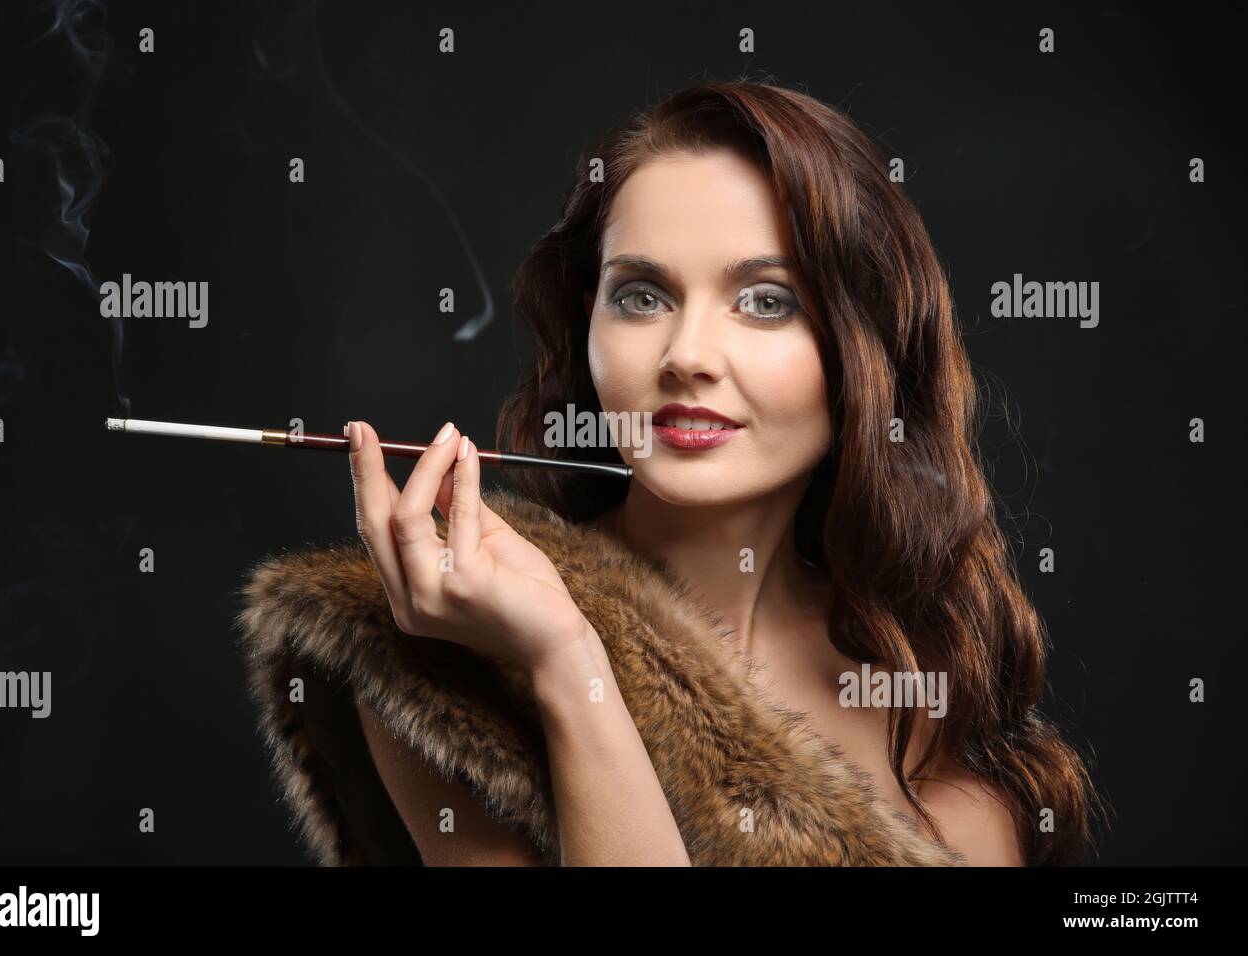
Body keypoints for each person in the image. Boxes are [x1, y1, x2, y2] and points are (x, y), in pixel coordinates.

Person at [346, 79, 1105, 867]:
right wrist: (569, 663)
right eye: (641, 296)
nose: (687, 357)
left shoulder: (931, 697)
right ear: (587, 319)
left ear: (860, 348)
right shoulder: (444, 649)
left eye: (766, 302)